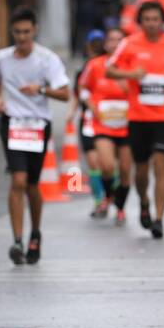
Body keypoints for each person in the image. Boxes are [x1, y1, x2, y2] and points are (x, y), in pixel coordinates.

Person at [0, 6, 71, 265]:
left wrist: (41, 89)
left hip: (37, 124)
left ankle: (35, 232)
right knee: (18, 180)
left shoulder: (47, 59)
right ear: (11, 32)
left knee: (33, 185)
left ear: (34, 30)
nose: (22, 37)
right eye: (17, 32)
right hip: (12, 122)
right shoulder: (2, 57)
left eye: (26, 32)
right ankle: (16, 240)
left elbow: (65, 93)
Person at [105, 0, 164, 239]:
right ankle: (144, 201)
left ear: (163, 21)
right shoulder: (129, 44)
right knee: (141, 171)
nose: (152, 23)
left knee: (160, 165)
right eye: (147, 19)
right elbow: (110, 69)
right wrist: (131, 74)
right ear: (141, 22)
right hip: (138, 117)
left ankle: (159, 219)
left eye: (156, 19)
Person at [79, 27, 132, 224]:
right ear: (106, 43)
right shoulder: (94, 65)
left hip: (127, 125)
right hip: (103, 125)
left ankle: (119, 207)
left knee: (126, 171)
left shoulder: (129, 66)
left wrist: (124, 80)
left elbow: (137, 91)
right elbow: (83, 89)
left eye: (119, 40)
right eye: (111, 40)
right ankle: (109, 197)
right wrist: (92, 106)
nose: (115, 44)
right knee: (108, 166)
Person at [73, 29, 108, 214]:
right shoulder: (83, 70)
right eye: (93, 42)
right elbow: (77, 94)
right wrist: (70, 115)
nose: (96, 46)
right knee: (93, 163)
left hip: (109, 121)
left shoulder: (110, 66)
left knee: (108, 164)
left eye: (99, 42)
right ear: (87, 45)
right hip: (88, 120)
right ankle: (98, 200)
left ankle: (112, 199)